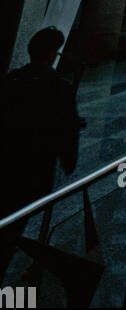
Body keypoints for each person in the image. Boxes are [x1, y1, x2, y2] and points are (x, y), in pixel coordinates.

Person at [0, 27, 82, 218]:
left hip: (8, 160)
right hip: (38, 165)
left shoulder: (12, 80)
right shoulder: (59, 87)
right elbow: (68, 128)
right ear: (52, 54)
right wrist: (68, 159)